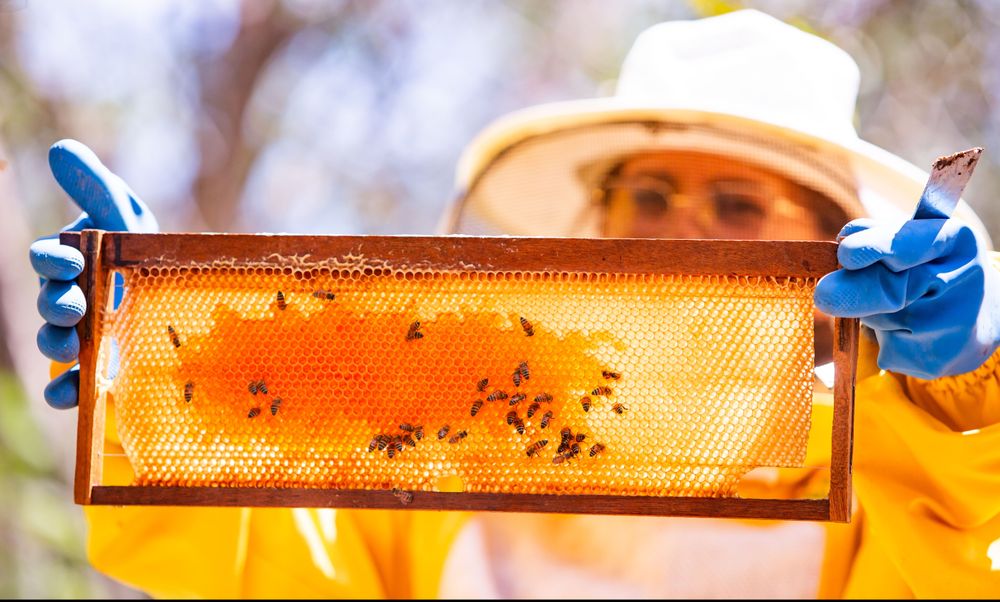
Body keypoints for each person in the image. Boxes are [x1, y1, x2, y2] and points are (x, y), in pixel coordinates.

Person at [29, 9, 1000, 598]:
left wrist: (964, 399)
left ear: (836, 242)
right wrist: (162, 365)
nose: (679, 229)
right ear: (597, 221)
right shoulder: (453, 444)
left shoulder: (886, 484)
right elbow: (265, 558)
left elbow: (968, 565)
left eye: (737, 203)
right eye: (648, 195)